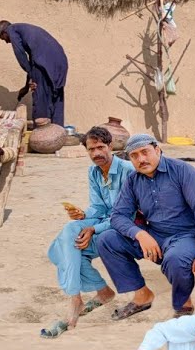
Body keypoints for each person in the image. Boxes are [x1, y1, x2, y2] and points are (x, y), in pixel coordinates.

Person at [96, 134, 195, 319]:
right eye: (134, 156)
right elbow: (118, 216)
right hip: (154, 235)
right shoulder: (133, 180)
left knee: (175, 259)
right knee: (107, 240)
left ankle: (184, 305)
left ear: (157, 150)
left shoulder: (182, 170)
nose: (141, 159)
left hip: (185, 236)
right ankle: (142, 295)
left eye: (145, 152)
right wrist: (140, 234)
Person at [41, 126, 134, 338]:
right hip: (102, 221)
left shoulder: (128, 171)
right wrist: (83, 215)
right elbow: (98, 207)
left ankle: (82, 298)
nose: (96, 153)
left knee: (67, 248)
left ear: (110, 146)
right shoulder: (93, 172)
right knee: (66, 241)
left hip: (123, 227)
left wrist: (93, 228)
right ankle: (90, 295)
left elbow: (125, 215)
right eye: (91, 149)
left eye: (100, 147)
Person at [0, 20, 68, 125]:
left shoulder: (12, 30)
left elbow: (20, 54)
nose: (7, 42)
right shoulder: (26, 31)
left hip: (45, 63)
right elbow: (32, 62)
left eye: (4, 39)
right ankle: (58, 130)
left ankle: (41, 132)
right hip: (60, 62)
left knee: (40, 98)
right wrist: (26, 86)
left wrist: (32, 77)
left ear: (4, 32)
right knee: (55, 100)